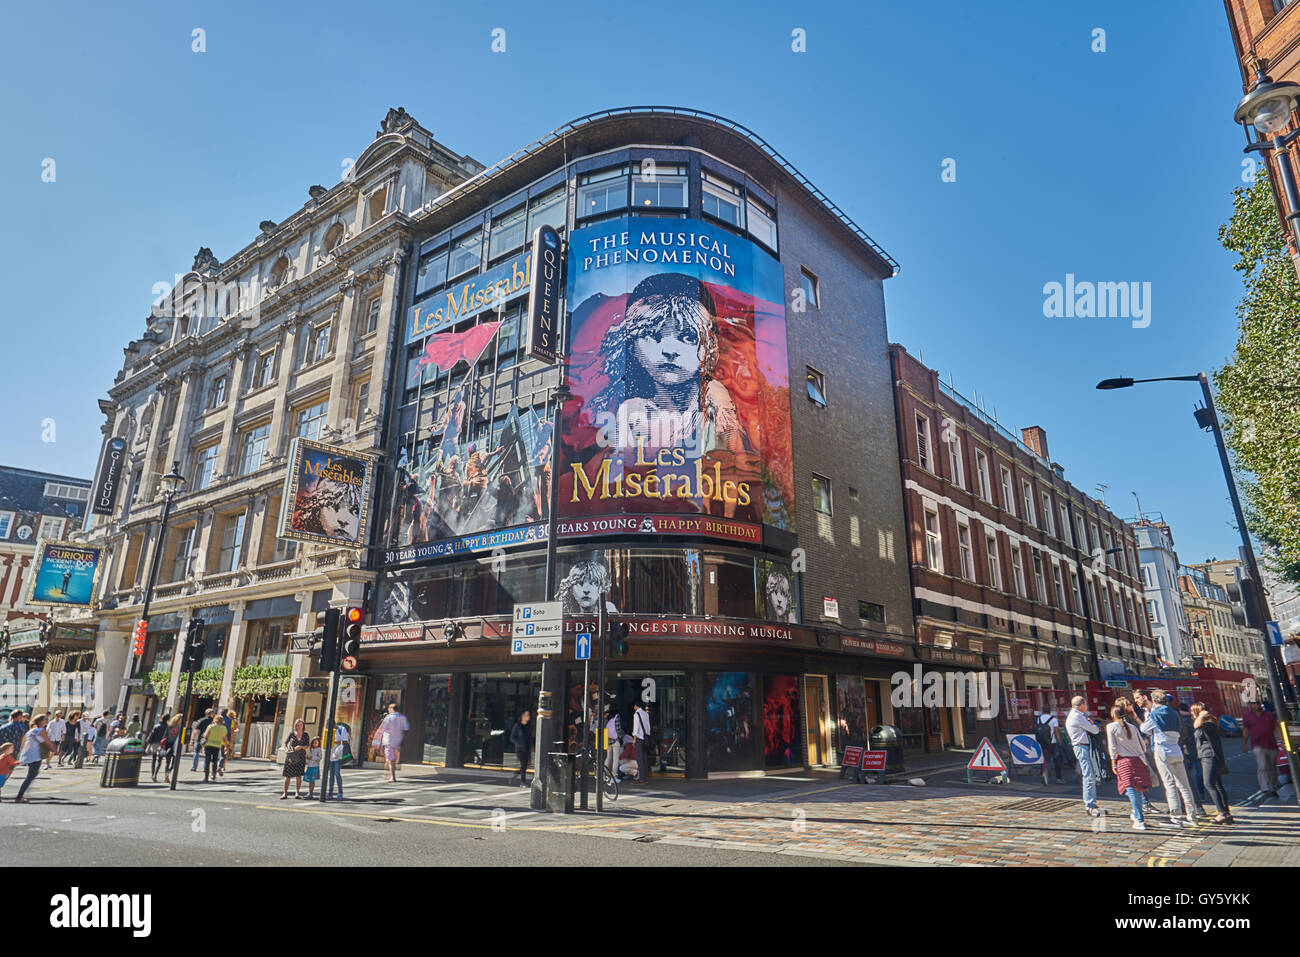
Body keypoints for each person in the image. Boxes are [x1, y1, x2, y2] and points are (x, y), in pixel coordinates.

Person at [1139, 691, 1199, 828]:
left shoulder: (1155, 714)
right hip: (1177, 750)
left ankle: (1176, 817)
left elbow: (1143, 728)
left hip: (1163, 751)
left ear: (1154, 701)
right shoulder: (1174, 713)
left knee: (1170, 785)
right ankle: (1192, 815)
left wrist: (1148, 716)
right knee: (1184, 785)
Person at [1107, 703, 1160, 830]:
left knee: (1131, 791)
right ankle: (1137, 815)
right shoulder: (1132, 727)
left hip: (1124, 761)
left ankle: (1140, 819)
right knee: (1138, 790)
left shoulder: (1111, 727)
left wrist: (1113, 763)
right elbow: (1142, 745)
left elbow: (1112, 747)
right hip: (1138, 761)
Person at [1192, 703, 1234, 824]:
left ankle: (1221, 813)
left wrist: (1201, 715)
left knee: (1209, 784)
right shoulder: (1210, 724)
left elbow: (1196, 725)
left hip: (1209, 756)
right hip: (1211, 756)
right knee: (1217, 784)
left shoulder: (1207, 724)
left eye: (1192, 711)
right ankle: (1226, 813)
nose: (1191, 714)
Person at [1065, 696, 1105, 817]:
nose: (1087, 706)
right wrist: (1094, 725)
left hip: (1083, 746)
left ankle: (1092, 802)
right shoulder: (1077, 716)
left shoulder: (1076, 715)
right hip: (1082, 747)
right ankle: (1089, 805)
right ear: (1081, 705)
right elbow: (1095, 730)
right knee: (1088, 775)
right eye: (1086, 704)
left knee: (1090, 775)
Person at [1241, 700, 1280, 799]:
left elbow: (1277, 728)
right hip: (1257, 745)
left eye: (1257, 703)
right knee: (1263, 766)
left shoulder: (1269, 715)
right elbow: (1245, 731)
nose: (1256, 705)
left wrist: (1283, 741)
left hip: (1271, 744)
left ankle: (1272, 786)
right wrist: (1244, 745)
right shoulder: (1247, 716)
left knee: (1272, 767)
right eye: (1253, 703)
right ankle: (1265, 788)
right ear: (1250, 705)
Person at [1177, 701, 1210, 808]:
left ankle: (1197, 794)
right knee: (1195, 774)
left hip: (1192, 751)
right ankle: (1199, 794)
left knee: (1191, 775)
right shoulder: (1190, 722)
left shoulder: (1194, 722)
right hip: (1193, 751)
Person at [14, 714, 51, 803]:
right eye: (45, 719)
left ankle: (21, 796)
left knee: (32, 775)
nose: (46, 720)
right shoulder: (39, 730)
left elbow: (23, 743)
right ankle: (19, 797)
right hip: (35, 756)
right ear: (40, 721)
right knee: (30, 776)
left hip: (32, 756)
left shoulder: (32, 730)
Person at [375, 704, 410, 783]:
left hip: (388, 740)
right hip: (397, 740)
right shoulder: (402, 717)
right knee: (389, 758)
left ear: (391, 709)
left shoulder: (389, 718)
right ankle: (386, 774)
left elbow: (382, 728)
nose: (388, 710)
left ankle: (392, 777)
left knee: (391, 759)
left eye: (389, 708)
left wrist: (377, 740)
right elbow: (406, 728)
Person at [282, 718, 310, 799]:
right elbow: (285, 743)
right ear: (295, 726)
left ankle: (297, 792)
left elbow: (307, 745)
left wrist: (300, 747)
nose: (299, 726)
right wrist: (286, 750)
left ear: (303, 725)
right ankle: (285, 793)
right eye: (298, 725)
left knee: (298, 775)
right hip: (291, 756)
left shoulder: (305, 735)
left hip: (301, 756)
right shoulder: (292, 734)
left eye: (301, 725)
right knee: (288, 775)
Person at [1035, 709, 1061, 785]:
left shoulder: (1038, 719)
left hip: (1043, 742)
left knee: (1046, 759)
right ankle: (1059, 778)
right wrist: (1060, 741)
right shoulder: (1054, 719)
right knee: (1056, 759)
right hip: (1052, 742)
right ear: (1050, 711)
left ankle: (1045, 773)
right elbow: (1056, 731)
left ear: (1043, 711)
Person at [201, 712, 228, 783]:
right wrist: (225, 746)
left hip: (209, 745)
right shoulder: (224, 728)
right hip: (217, 746)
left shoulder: (211, 726)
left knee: (207, 760)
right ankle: (213, 774)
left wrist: (203, 735)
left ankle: (206, 777)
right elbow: (225, 738)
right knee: (215, 760)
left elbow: (205, 735)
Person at [510, 709, 532, 788]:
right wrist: (519, 744)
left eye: (529, 715)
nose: (528, 717)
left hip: (526, 748)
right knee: (523, 765)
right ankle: (523, 782)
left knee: (525, 765)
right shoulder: (517, 726)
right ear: (522, 716)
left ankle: (516, 773)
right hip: (520, 749)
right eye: (527, 715)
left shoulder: (528, 726)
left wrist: (531, 746)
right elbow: (512, 738)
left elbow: (529, 738)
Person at [325, 723, 348, 800]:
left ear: (334, 724)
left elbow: (345, 741)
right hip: (330, 754)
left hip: (338, 754)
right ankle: (330, 792)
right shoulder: (328, 731)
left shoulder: (341, 729)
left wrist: (335, 742)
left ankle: (340, 792)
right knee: (331, 774)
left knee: (337, 773)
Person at [145, 712, 170, 782]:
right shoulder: (167, 727)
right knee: (159, 760)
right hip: (162, 744)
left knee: (153, 759)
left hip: (154, 744)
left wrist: (149, 744)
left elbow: (151, 736)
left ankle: (152, 774)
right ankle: (155, 774)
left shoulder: (156, 726)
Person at [631, 700, 652, 785]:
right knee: (644, 759)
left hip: (639, 738)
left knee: (640, 760)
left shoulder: (636, 714)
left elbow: (636, 728)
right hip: (646, 738)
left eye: (634, 706)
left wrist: (634, 739)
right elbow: (648, 727)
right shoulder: (646, 714)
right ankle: (645, 777)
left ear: (636, 706)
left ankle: (642, 779)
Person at [604, 707, 623, 783]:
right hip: (615, 741)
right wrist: (620, 737)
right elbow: (618, 729)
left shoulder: (606, 717)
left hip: (608, 741)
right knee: (615, 760)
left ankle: (603, 775)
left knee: (608, 758)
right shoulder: (617, 716)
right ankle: (613, 778)